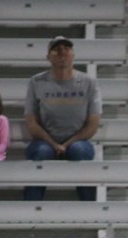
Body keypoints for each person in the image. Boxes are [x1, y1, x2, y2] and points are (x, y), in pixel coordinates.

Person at [23, 35, 103, 201]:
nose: (62, 53)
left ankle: (89, 212)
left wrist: (65, 144)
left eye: (67, 49)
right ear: (48, 57)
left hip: (77, 141)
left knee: (80, 151)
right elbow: (31, 122)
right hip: (46, 141)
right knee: (40, 152)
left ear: (73, 54)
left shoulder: (89, 83)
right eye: (57, 49)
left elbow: (92, 124)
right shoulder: (36, 82)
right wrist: (54, 144)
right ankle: (30, 212)